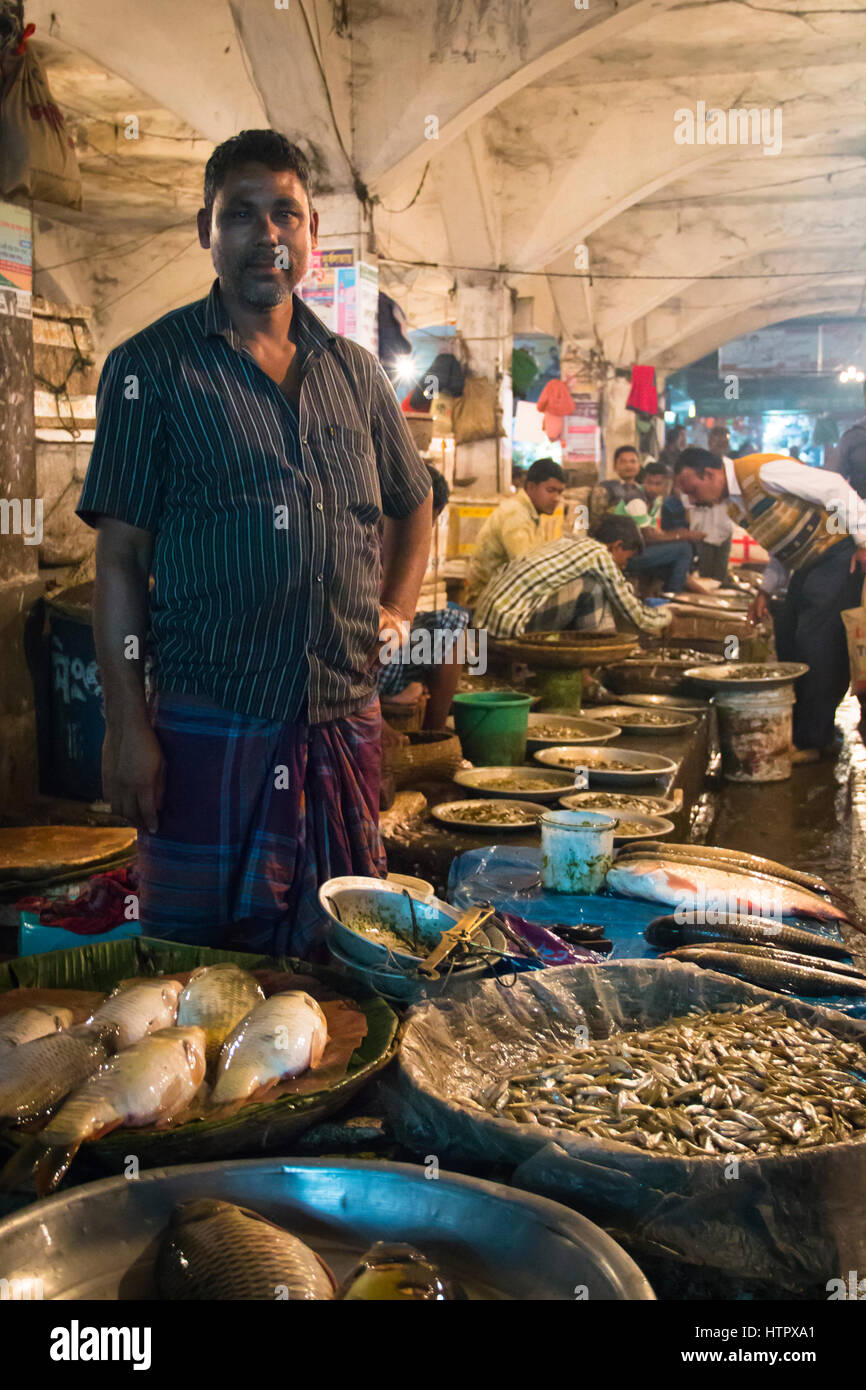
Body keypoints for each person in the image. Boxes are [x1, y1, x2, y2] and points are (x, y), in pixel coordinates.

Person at [76, 129, 433, 956]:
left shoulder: (354, 372)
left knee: (346, 960)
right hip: (211, 723)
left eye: (285, 213)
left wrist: (397, 613)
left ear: (309, 236)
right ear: (207, 230)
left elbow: (414, 507)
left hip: (341, 722)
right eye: (241, 214)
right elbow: (121, 559)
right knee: (198, 965)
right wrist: (127, 729)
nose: (265, 233)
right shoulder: (152, 369)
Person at [674, 446, 866, 761]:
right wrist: (765, 590)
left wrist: (862, 541)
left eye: (693, 490)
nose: (694, 500)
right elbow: (781, 547)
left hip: (838, 554)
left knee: (815, 642)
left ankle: (812, 741)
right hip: (809, 564)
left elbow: (834, 487)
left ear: (710, 474)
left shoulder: (761, 471)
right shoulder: (737, 506)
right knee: (788, 636)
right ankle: (808, 730)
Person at [472, 516, 672, 640]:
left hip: (485, 622)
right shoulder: (598, 553)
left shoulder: (570, 542)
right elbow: (634, 613)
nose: (624, 565)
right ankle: (593, 665)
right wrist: (666, 616)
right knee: (593, 588)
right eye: (626, 558)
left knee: (591, 588)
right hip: (507, 627)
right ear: (616, 546)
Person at [378, 465, 469, 729]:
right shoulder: (378, 535)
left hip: (383, 637)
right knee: (401, 630)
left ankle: (432, 735)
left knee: (454, 620)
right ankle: (386, 703)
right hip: (358, 651)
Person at [466, 457, 565, 604]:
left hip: (507, 597)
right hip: (490, 602)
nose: (556, 498)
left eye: (560, 492)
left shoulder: (532, 514)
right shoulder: (516, 514)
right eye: (550, 490)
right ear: (531, 487)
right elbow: (527, 570)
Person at [613, 461, 704, 594]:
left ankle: (672, 593)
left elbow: (655, 532)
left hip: (637, 550)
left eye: (658, 484)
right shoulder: (636, 500)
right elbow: (647, 536)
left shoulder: (655, 501)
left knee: (677, 553)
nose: (652, 488)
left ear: (666, 484)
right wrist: (682, 534)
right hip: (625, 555)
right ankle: (672, 595)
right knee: (683, 548)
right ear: (643, 481)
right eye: (649, 483)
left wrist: (678, 535)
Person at [689, 425, 735, 582]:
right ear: (709, 441)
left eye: (724, 441)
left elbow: (736, 493)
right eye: (718, 441)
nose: (721, 444)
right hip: (703, 529)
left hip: (725, 527)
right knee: (704, 576)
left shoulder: (731, 466)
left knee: (720, 576)